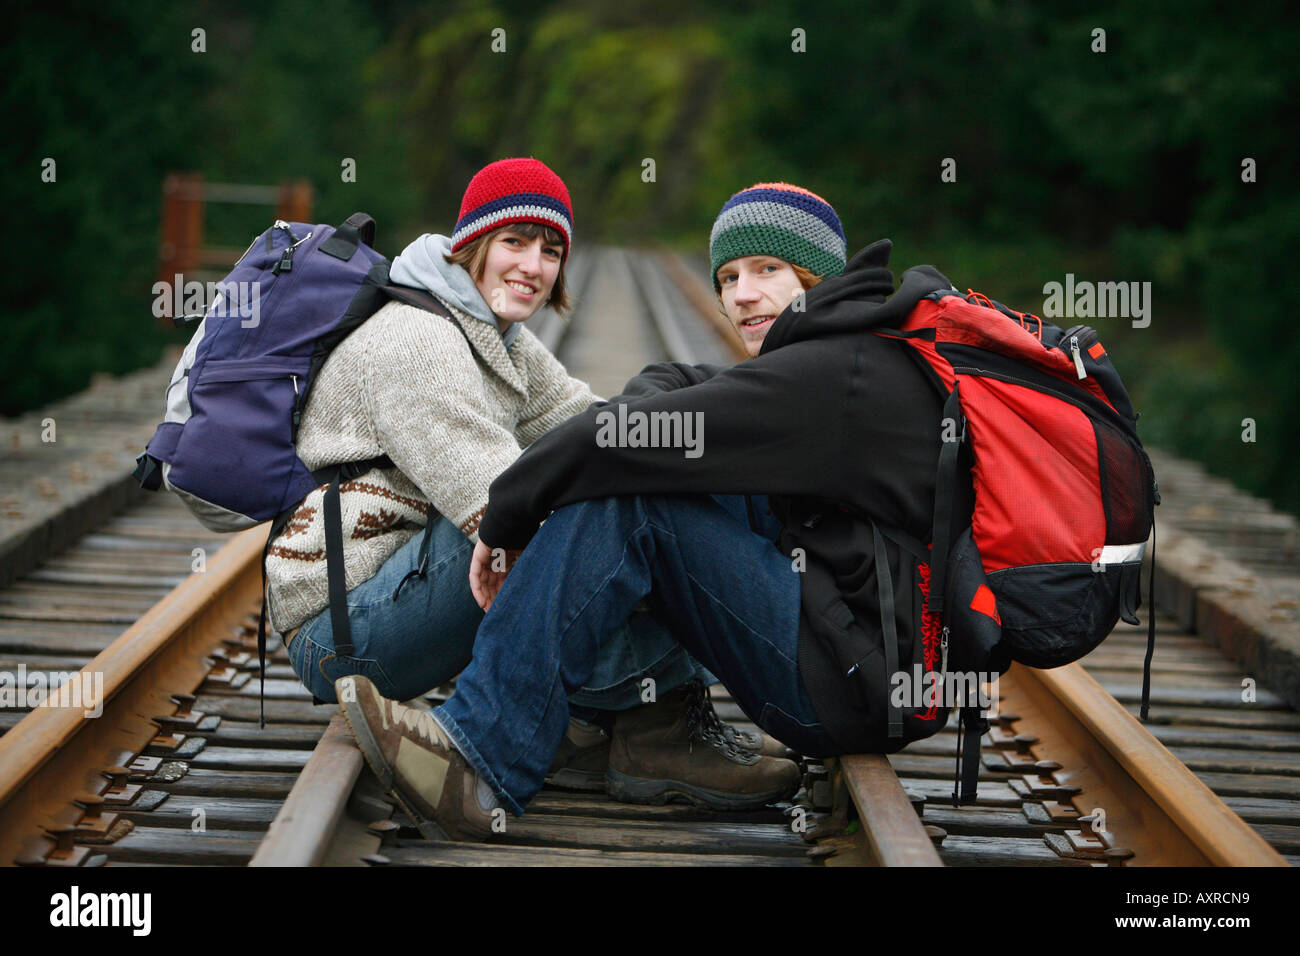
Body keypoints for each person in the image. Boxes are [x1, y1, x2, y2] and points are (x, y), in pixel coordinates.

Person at [335, 181, 956, 841]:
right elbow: (678, 390)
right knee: (665, 468)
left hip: (843, 687)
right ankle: (652, 727)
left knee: (636, 502)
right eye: (728, 276)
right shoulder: (847, 357)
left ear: (818, 276)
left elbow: (616, 438)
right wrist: (648, 407)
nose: (742, 293)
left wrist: (507, 517)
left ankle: (480, 757)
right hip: (857, 661)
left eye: (767, 270)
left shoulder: (828, 378)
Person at [267, 160, 797, 810]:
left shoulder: (500, 339)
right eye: (514, 242)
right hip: (347, 631)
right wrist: (664, 547)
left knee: (631, 492)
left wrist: (710, 465)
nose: (534, 265)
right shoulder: (417, 342)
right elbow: (500, 511)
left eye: (551, 250)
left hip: (402, 585)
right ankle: (648, 721)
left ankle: (636, 722)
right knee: (569, 520)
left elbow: (597, 428)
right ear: (472, 247)